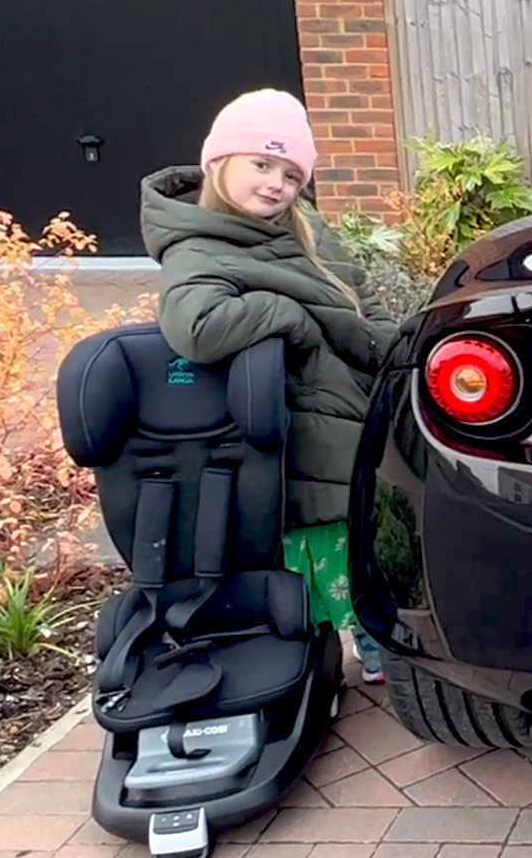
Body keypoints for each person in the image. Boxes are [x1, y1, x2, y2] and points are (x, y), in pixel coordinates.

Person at [141, 89, 400, 683]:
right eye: (261, 163)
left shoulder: (306, 228)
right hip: (304, 420)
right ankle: (350, 648)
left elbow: (363, 296)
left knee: (372, 532)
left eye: (290, 174)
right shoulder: (197, 242)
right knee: (334, 539)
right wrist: (289, 318)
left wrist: (391, 346)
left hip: (358, 403)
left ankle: (371, 641)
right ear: (220, 162)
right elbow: (196, 326)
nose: (276, 184)